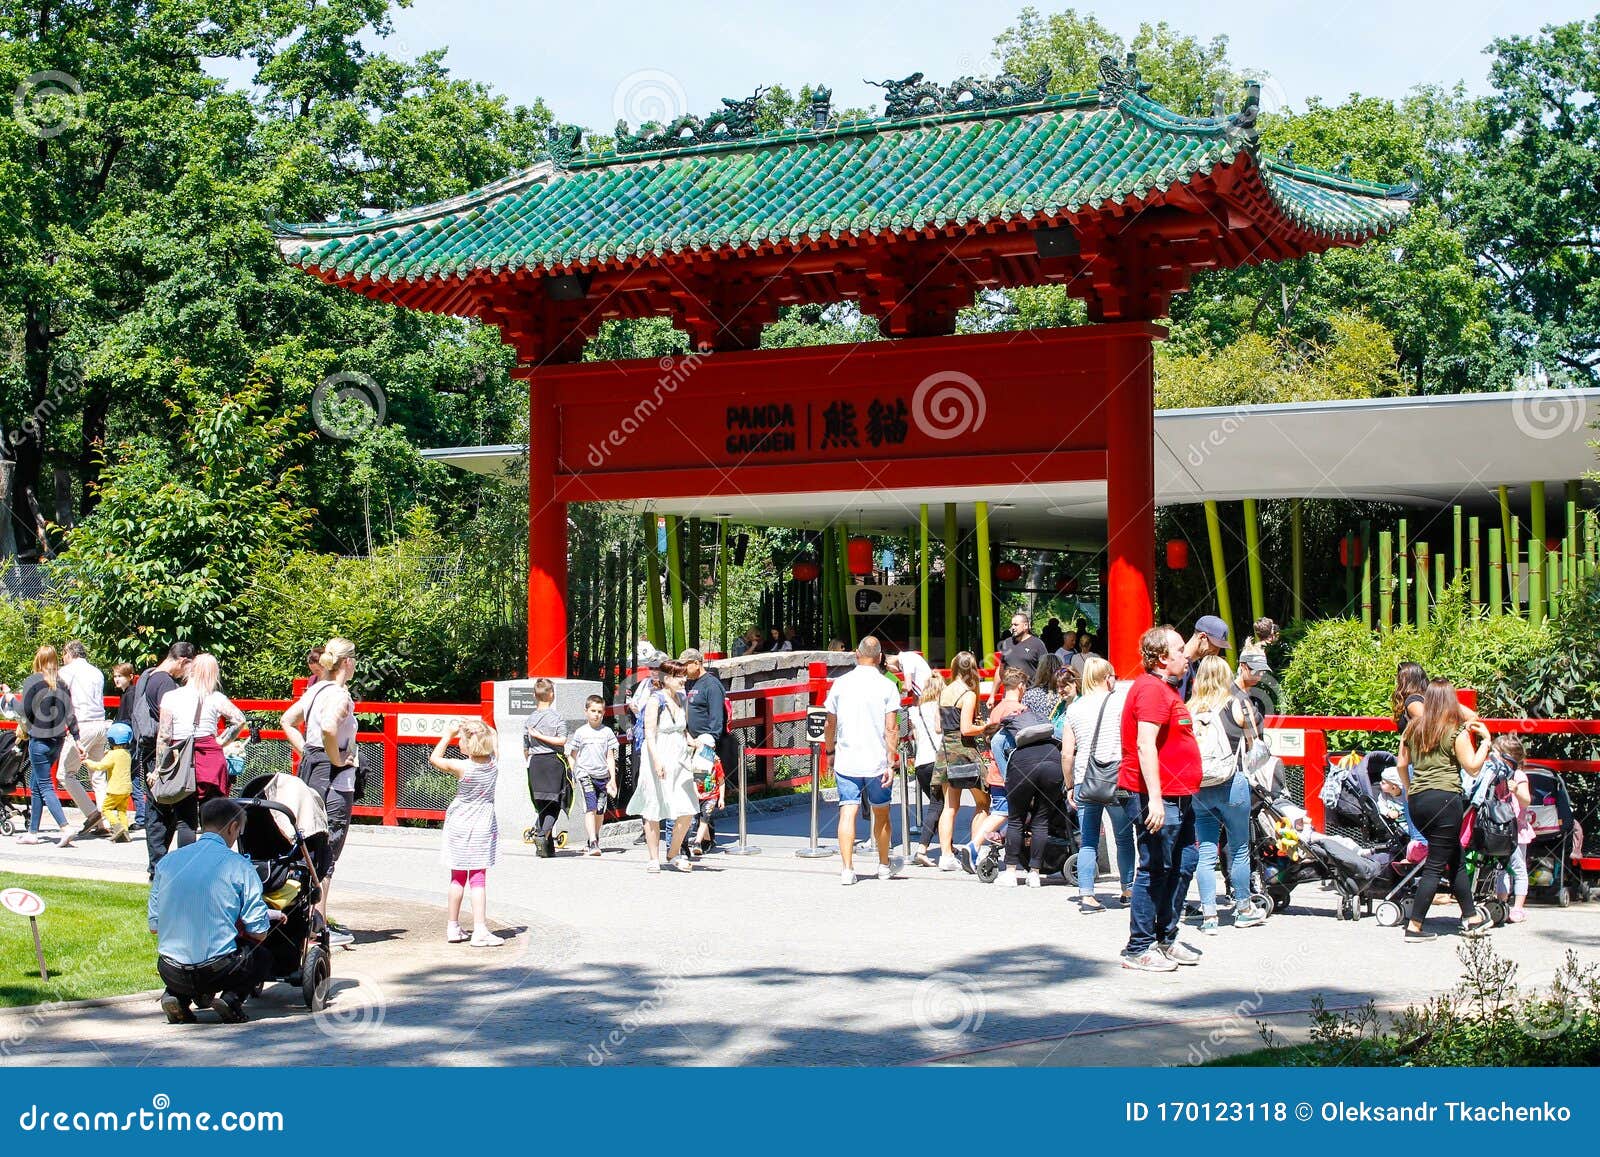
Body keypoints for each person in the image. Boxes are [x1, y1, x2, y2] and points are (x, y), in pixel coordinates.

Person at [148, 797, 282, 1024]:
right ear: (233, 827)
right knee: (261, 956)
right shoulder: (239, 866)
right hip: (218, 970)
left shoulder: (167, 862)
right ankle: (231, 999)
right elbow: (258, 931)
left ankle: (175, 996)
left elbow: (154, 926)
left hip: (169, 968)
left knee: (187, 955)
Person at [1119, 626, 1203, 972]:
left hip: (1180, 795)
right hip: (1158, 796)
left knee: (1183, 864)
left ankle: (1166, 937)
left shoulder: (1166, 688)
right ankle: (1138, 947)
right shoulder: (1152, 690)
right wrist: (1154, 798)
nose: (1186, 655)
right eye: (1180, 650)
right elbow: (1144, 743)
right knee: (1154, 868)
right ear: (1161, 658)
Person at [1396, 677, 1493, 943]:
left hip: (1418, 802)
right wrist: (1486, 742)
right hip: (1446, 801)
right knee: (1436, 864)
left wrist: (1410, 789)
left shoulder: (1413, 729)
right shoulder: (1455, 731)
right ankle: (1414, 926)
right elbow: (1472, 766)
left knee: (1454, 857)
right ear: (1451, 701)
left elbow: (1401, 764)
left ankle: (1471, 918)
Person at [280, 638, 359, 946]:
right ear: (348, 663)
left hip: (312, 771)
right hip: (335, 780)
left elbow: (287, 721)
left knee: (308, 844)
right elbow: (329, 727)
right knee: (327, 849)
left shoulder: (314, 690)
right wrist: (337, 758)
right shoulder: (340, 695)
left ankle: (304, 920)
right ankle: (318, 926)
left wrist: (310, 752)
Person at [1187, 655, 1266, 935]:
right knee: (1239, 848)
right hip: (1232, 783)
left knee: (1206, 851)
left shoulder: (1190, 709)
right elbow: (1254, 742)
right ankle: (1243, 908)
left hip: (1200, 787)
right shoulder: (1235, 705)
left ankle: (1209, 916)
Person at [822, 636, 902, 885]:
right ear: (879, 657)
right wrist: (891, 760)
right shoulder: (887, 685)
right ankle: (883, 864)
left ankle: (847, 869)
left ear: (857, 654)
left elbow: (829, 722)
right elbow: (891, 728)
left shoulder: (840, 683)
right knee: (882, 812)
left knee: (847, 810)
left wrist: (829, 750)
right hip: (877, 759)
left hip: (847, 757)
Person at [1059, 657, 1136, 912]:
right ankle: (1127, 889)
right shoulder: (1119, 703)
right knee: (1124, 837)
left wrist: (1069, 785)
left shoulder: (1075, 708)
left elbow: (1067, 753)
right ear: (1107, 677)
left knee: (1089, 839)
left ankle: (1087, 895)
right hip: (1116, 778)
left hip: (1085, 779)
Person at [431, 719, 504, 947]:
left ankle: (453, 926)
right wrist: (480, 726)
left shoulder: (462, 767)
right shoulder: (493, 763)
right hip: (482, 824)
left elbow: (434, 759)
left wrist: (448, 734)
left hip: (458, 823)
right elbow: (495, 736)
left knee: (458, 876)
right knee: (478, 878)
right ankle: (480, 928)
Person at [626, 658, 699, 872]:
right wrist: (657, 761)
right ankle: (653, 857)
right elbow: (649, 733)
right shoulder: (655, 700)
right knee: (654, 806)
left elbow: (682, 728)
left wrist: (691, 739)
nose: (684, 679)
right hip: (659, 756)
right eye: (679, 676)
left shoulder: (682, 698)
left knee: (687, 808)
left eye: (684, 675)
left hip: (680, 757)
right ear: (667, 679)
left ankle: (673, 851)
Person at [157, 652, 246, 823]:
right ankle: (209, 847)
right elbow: (240, 720)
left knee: (184, 821)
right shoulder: (215, 698)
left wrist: (160, 767)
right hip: (210, 756)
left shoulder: (171, 697)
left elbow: (164, 736)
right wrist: (222, 741)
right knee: (211, 818)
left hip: (181, 756)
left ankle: (188, 849)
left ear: (191, 669)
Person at [8, 646, 81, 847]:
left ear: (38, 661)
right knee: (36, 784)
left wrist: (10, 699)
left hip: (39, 740)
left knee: (45, 785)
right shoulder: (62, 684)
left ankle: (65, 827)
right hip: (57, 741)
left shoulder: (33, 681)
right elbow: (70, 714)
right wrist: (77, 738)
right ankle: (33, 832)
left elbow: (24, 712)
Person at [133, 642, 195, 875]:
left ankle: (158, 863)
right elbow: (168, 722)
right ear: (182, 661)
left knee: (158, 807)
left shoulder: (149, 676)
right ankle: (159, 864)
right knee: (162, 808)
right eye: (187, 667)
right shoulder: (166, 683)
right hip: (162, 751)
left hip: (147, 748)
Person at [960, 667, 1027, 869]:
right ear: (1021, 686)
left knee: (1003, 810)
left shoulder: (997, 709)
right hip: (1009, 771)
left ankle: (993, 840)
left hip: (995, 770)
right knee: (1002, 812)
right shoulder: (1019, 710)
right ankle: (974, 845)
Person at [938, 651, 994, 872]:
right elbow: (966, 729)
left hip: (945, 751)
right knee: (983, 802)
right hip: (964, 752)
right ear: (972, 669)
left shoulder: (945, 691)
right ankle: (974, 849)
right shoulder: (968, 694)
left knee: (950, 806)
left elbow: (939, 726)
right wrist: (986, 727)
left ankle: (945, 856)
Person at [1001, 705, 1068, 887]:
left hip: (1021, 765)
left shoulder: (1011, 730)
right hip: (1052, 763)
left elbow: (997, 745)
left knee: (1016, 820)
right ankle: (1035, 873)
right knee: (1041, 819)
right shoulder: (1050, 736)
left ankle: (1010, 872)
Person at [58, 641, 108, 835]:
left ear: (68, 653)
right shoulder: (97, 672)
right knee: (97, 775)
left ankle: (92, 813)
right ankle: (106, 821)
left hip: (83, 725)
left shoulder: (68, 671)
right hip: (100, 724)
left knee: (65, 773)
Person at [1489, 734, 1535, 924]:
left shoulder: (1518, 775)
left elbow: (1526, 801)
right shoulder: (1494, 773)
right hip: (1500, 828)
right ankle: (1502, 903)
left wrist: (1515, 790)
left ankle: (1518, 907)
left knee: (1518, 868)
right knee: (1502, 869)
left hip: (1516, 829)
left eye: (1496, 754)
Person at [521, 678, 569, 858]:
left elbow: (525, 747)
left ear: (534, 695)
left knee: (541, 804)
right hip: (553, 762)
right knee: (554, 803)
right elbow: (562, 740)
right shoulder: (556, 717)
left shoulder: (529, 719)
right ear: (552, 694)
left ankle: (547, 848)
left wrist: (531, 753)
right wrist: (543, 738)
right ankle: (542, 835)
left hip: (535, 763)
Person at [567, 695, 619, 857]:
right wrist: (571, 774)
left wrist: (613, 779)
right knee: (590, 807)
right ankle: (593, 842)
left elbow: (610, 756)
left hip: (602, 775)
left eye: (599, 712)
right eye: (593, 711)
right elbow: (572, 755)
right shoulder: (581, 732)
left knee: (600, 810)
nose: (596, 714)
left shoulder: (607, 732)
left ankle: (594, 838)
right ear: (586, 711)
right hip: (585, 774)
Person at [908, 671, 946, 868]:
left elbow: (914, 736)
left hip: (920, 764)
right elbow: (939, 729)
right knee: (939, 805)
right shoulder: (940, 707)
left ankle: (947, 845)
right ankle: (922, 849)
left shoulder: (915, 711)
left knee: (937, 803)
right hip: (936, 761)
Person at [82, 722, 136, 841]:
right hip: (126, 789)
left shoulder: (112, 755)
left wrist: (87, 762)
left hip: (115, 789)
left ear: (111, 740)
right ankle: (125, 832)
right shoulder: (126, 754)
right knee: (122, 811)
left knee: (106, 809)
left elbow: (100, 766)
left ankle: (117, 827)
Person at [111, 662, 144, 829]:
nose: (116, 679)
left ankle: (140, 817)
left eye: (120, 676)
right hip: (131, 741)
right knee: (134, 779)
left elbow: (130, 719)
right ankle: (141, 816)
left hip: (128, 743)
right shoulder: (128, 693)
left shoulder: (130, 695)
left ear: (130, 677)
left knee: (131, 779)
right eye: (115, 676)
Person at [1179, 615, 1228, 700]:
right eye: (1215, 645)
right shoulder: (1180, 665)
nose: (1217, 652)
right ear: (1202, 637)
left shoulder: (1198, 666)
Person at [998, 611, 1046, 683]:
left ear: (1025, 626)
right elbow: (1001, 668)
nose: (1013, 628)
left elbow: (1046, 669)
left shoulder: (1037, 644)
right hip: (1010, 691)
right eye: (1012, 625)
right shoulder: (1007, 643)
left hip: (1030, 691)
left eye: (1016, 625)